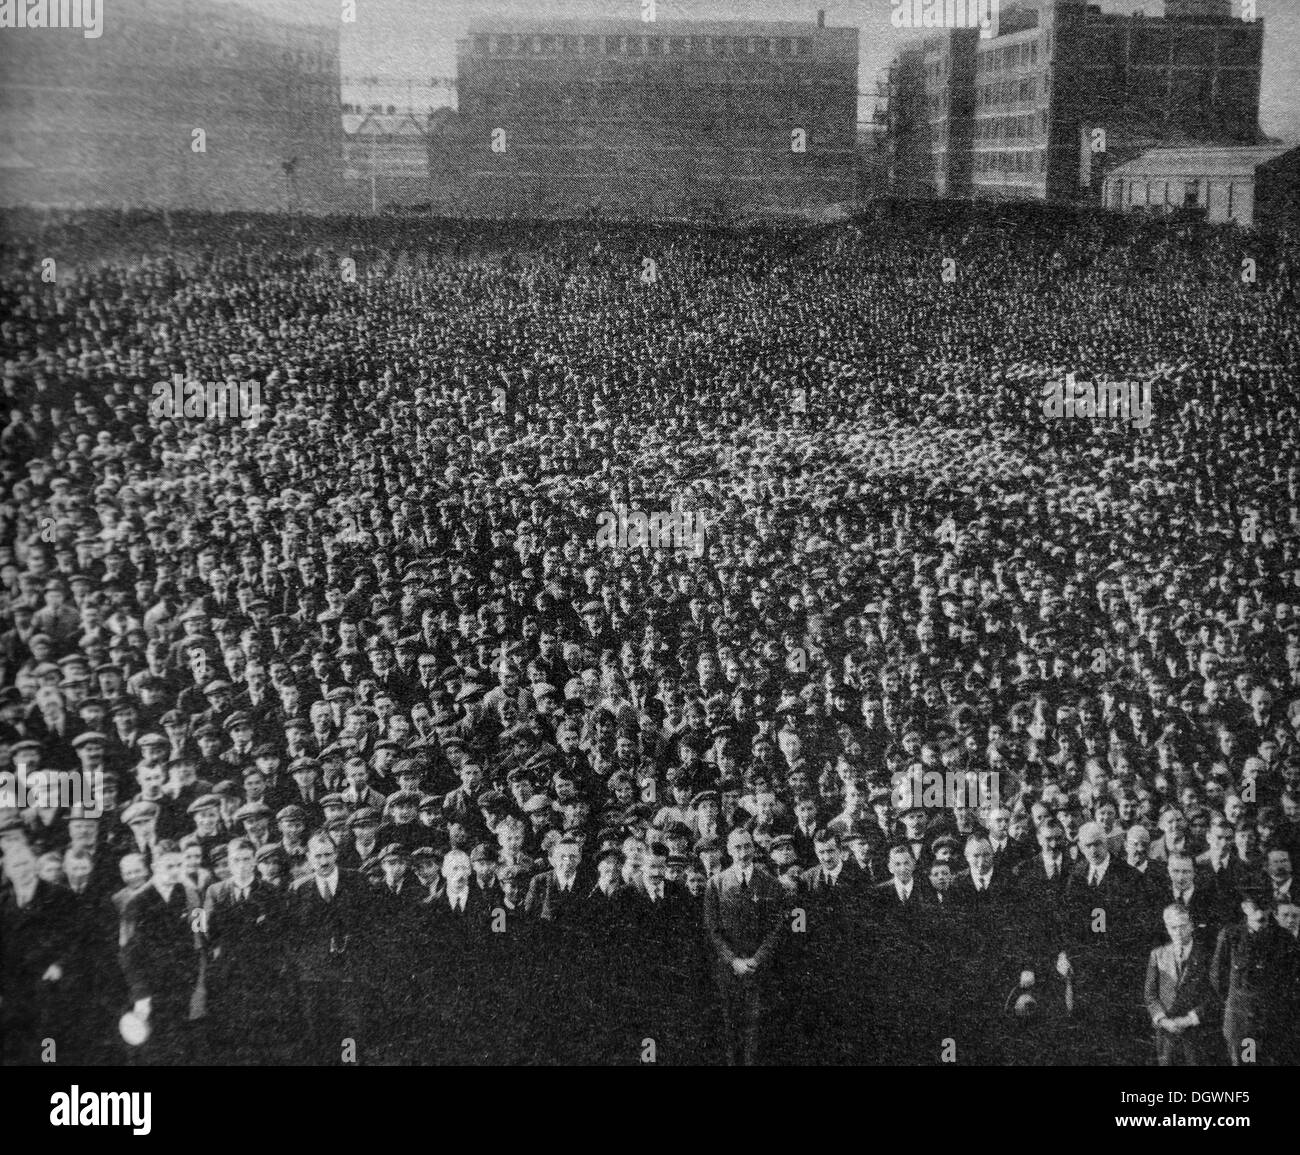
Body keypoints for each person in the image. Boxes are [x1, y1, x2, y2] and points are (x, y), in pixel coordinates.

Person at [286, 831, 375, 1065]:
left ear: (336, 854)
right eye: (318, 856)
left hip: (350, 973)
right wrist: (304, 965)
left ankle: (351, 1062)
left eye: (328, 855)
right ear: (309, 858)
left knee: (351, 1028)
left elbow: (370, 925)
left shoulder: (358, 881)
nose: (324, 861)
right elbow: (292, 935)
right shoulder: (298, 889)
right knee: (318, 1029)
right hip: (314, 977)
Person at [703, 827, 788, 1066]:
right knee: (730, 1031)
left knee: (756, 1032)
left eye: (747, 846)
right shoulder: (716, 884)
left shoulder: (770, 883)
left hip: (758, 970)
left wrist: (757, 960)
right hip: (729, 971)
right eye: (737, 847)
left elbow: (777, 928)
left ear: (754, 847)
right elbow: (712, 930)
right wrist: (733, 961)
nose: (743, 852)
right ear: (728, 851)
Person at [119, 839, 202, 1064]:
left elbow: (198, 937)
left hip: (181, 985)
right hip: (149, 990)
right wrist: (141, 995)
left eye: (179, 865)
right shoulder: (135, 903)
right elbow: (127, 954)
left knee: (179, 1047)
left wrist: (190, 979)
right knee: (151, 1050)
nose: (176, 871)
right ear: (154, 867)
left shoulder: (191, 896)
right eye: (169, 866)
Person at [1144, 903, 1219, 1066]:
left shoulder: (1208, 955)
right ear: (1166, 927)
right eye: (1173, 927)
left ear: (1191, 925)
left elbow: (1214, 994)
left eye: (1182, 926)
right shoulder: (1157, 954)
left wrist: (1189, 1019)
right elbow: (1150, 995)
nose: (1178, 932)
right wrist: (1163, 1020)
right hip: (1166, 1033)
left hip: (1197, 1031)